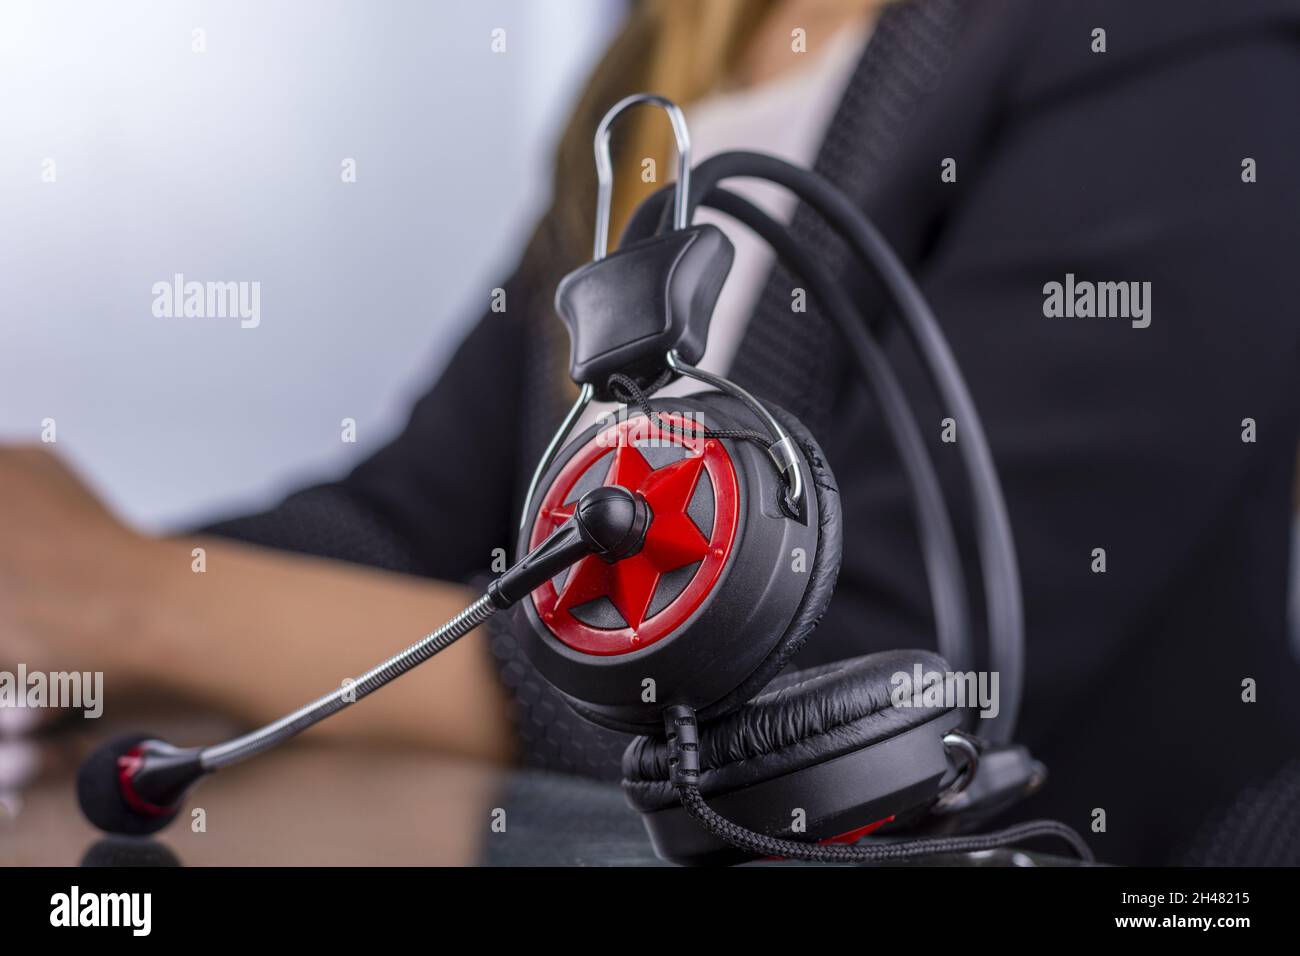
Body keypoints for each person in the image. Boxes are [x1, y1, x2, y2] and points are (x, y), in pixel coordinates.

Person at [4, 0, 1298, 865]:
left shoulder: (1173, 40)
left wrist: (141, 611)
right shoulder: (655, 73)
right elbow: (410, 524)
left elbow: (859, 680)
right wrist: (61, 605)